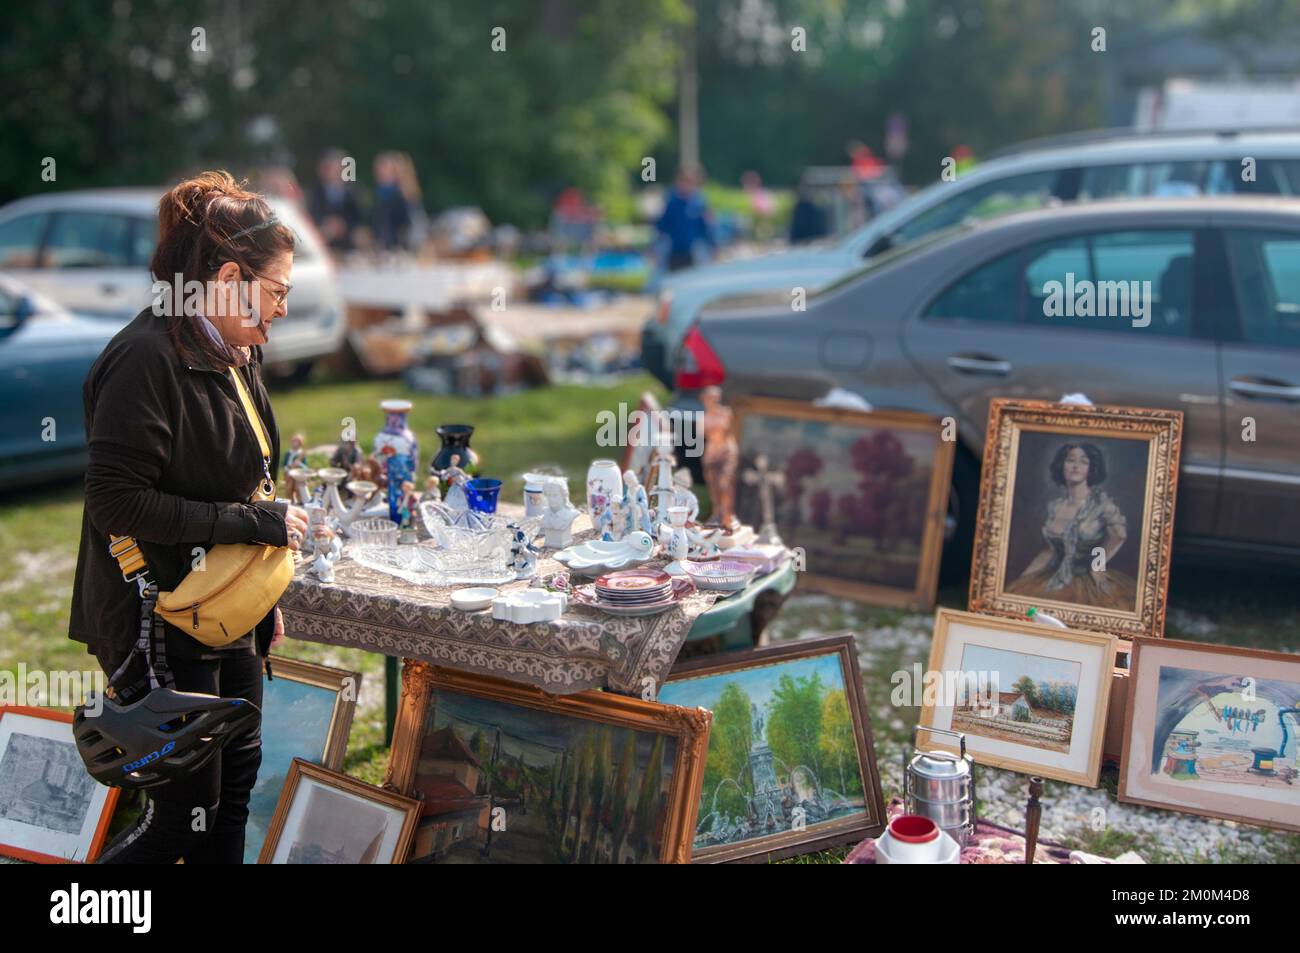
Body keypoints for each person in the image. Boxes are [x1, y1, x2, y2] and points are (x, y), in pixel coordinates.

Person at [68, 171, 311, 863]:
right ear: (230, 278)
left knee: (233, 792)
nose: (283, 309)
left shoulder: (235, 348)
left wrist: (261, 593)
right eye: (279, 291)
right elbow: (116, 501)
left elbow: (243, 476)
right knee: (180, 819)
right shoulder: (143, 359)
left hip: (223, 610)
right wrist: (253, 526)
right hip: (158, 619)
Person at [1006, 443, 1137, 611]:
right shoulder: (1055, 506)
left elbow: (1119, 536)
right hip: (1053, 577)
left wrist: (1097, 565)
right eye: (1070, 460)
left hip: (1088, 582)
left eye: (1083, 462)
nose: (1076, 466)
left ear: (1091, 469)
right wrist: (1024, 578)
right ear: (1062, 466)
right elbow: (1050, 551)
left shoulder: (1101, 505)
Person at [656, 166, 714, 272]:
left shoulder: (699, 203)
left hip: (693, 252)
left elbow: (707, 229)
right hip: (674, 251)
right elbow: (662, 227)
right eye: (683, 181)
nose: (686, 185)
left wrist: (713, 246)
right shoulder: (672, 203)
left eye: (690, 182)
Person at [307, 148, 362, 253]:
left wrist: (343, 224)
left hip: (349, 237)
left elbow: (359, 215)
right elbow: (311, 213)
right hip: (323, 235)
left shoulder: (354, 189)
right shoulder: (313, 190)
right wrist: (326, 224)